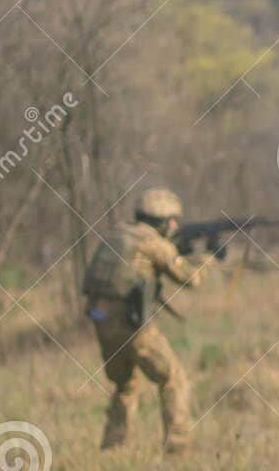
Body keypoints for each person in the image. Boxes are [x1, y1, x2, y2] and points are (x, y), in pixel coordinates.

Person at [81, 187, 213, 454]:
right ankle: (177, 449)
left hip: (102, 322)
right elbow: (191, 278)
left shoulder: (117, 234)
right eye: (172, 220)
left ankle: (113, 447)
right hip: (133, 327)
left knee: (125, 384)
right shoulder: (154, 244)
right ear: (163, 222)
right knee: (173, 378)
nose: (175, 225)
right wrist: (208, 258)